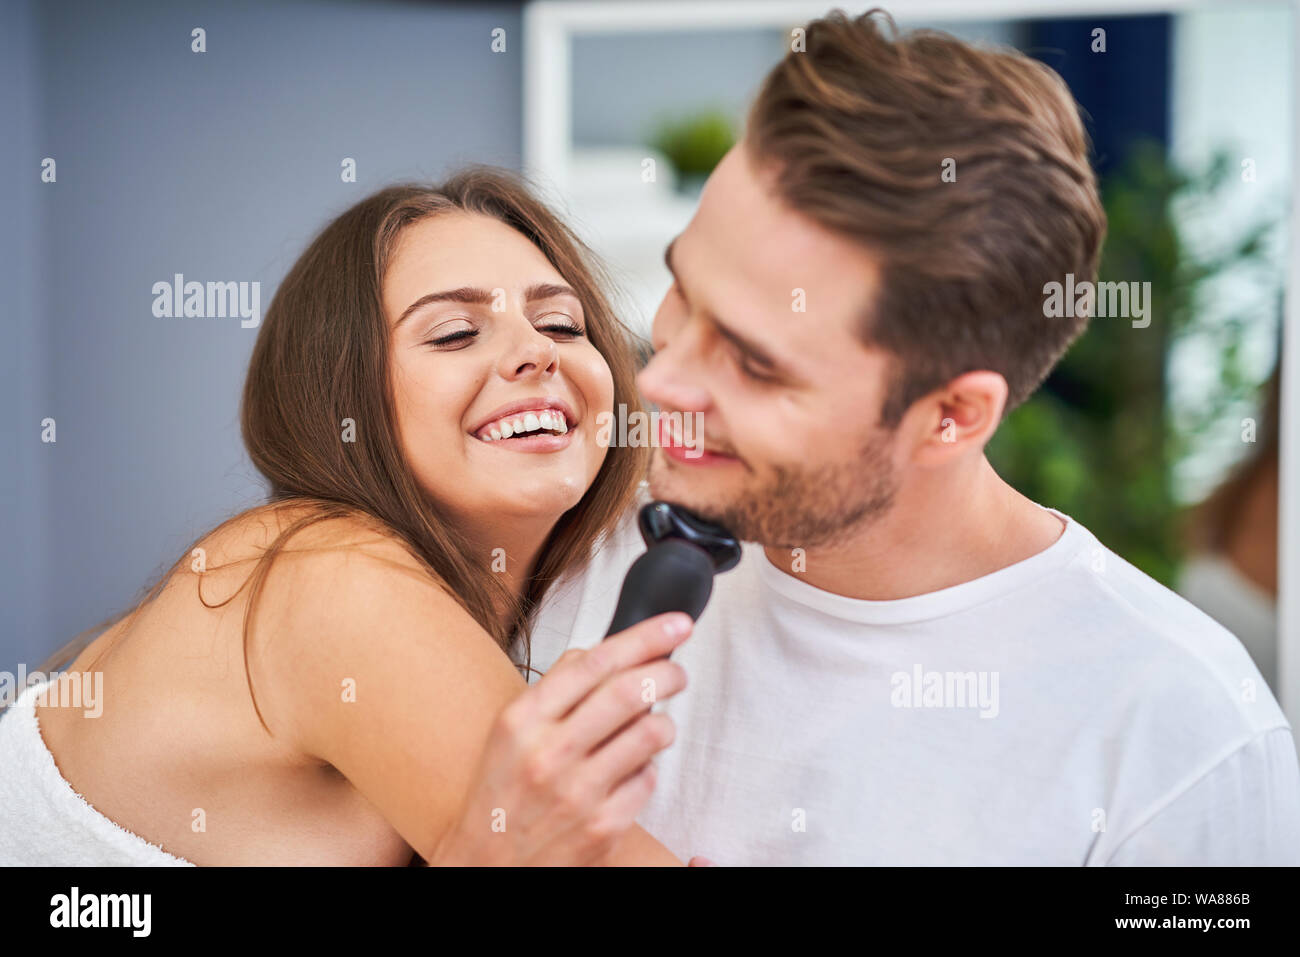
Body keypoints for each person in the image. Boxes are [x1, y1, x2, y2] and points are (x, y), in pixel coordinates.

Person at [524, 9, 1300, 865]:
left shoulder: (1179, 736)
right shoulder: (549, 547)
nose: (658, 381)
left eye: (754, 362)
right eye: (683, 293)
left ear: (953, 415)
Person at [0, 170, 691, 866]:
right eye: (454, 334)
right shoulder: (322, 570)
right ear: (343, 403)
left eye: (562, 323)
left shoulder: (525, 594)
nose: (539, 350)